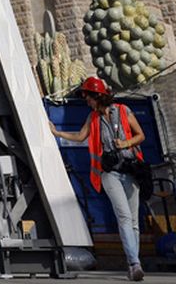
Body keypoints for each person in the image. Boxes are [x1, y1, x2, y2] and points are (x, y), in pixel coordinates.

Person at [49, 76, 146, 281]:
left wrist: (126, 143)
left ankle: (134, 260)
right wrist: (57, 132)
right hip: (109, 173)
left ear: (99, 96)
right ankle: (134, 264)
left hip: (130, 170)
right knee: (124, 218)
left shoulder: (123, 110)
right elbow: (80, 136)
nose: (87, 102)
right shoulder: (92, 118)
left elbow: (141, 135)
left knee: (134, 221)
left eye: (89, 98)